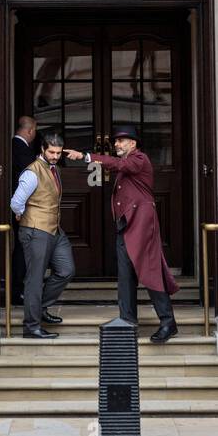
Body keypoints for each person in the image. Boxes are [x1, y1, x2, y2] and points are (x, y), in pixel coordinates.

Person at [65, 126, 179, 343]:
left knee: (150, 272)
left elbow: (117, 165)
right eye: (116, 141)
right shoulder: (129, 163)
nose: (116, 144)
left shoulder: (139, 159)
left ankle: (168, 323)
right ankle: (127, 322)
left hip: (142, 226)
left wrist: (86, 156)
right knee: (126, 277)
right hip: (125, 226)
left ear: (133, 144)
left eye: (121, 141)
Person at [10, 130, 75, 340]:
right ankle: (31, 327)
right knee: (34, 280)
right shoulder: (32, 172)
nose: (56, 156)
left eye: (58, 153)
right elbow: (15, 202)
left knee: (66, 270)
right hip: (36, 230)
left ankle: (41, 308)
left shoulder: (53, 168)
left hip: (54, 229)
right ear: (43, 149)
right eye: (52, 152)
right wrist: (21, 215)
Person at [10, 115, 38, 304]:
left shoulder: (18, 147)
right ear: (29, 130)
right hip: (23, 209)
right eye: (34, 130)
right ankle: (18, 290)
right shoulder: (20, 148)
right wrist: (19, 210)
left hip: (23, 209)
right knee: (23, 250)